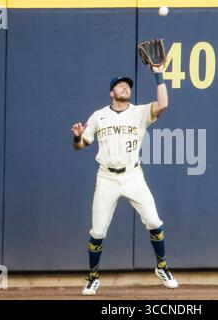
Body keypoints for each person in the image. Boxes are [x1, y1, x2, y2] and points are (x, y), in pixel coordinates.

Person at [71, 65, 178, 295]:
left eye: (128, 85)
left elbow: (163, 104)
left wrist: (158, 74)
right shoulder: (99, 115)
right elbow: (80, 146)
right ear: (112, 92)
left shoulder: (139, 112)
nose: (125, 87)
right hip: (106, 177)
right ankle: (92, 278)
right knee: (97, 231)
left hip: (133, 175)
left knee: (155, 222)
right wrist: (78, 137)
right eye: (120, 85)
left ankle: (162, 267)